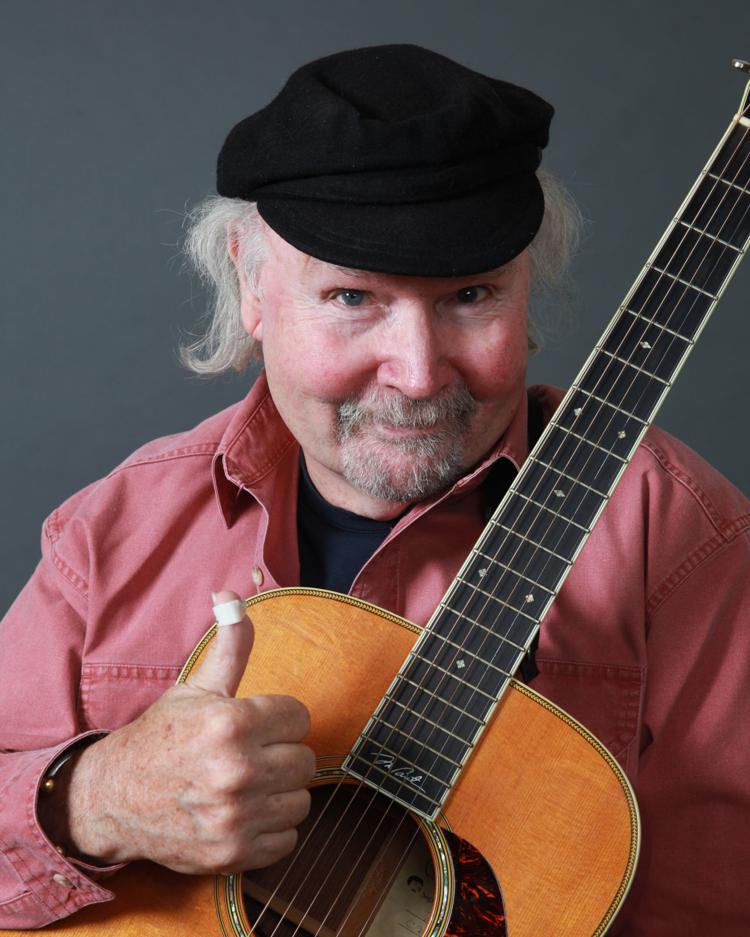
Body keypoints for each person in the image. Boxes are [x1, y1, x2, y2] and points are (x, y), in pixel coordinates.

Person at [0, 44, 748, 936]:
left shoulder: (683, 536)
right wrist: (98, 796)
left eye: (472, 295)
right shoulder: (112, 532)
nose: (420, 372)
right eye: (352, 298)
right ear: (251, 283)